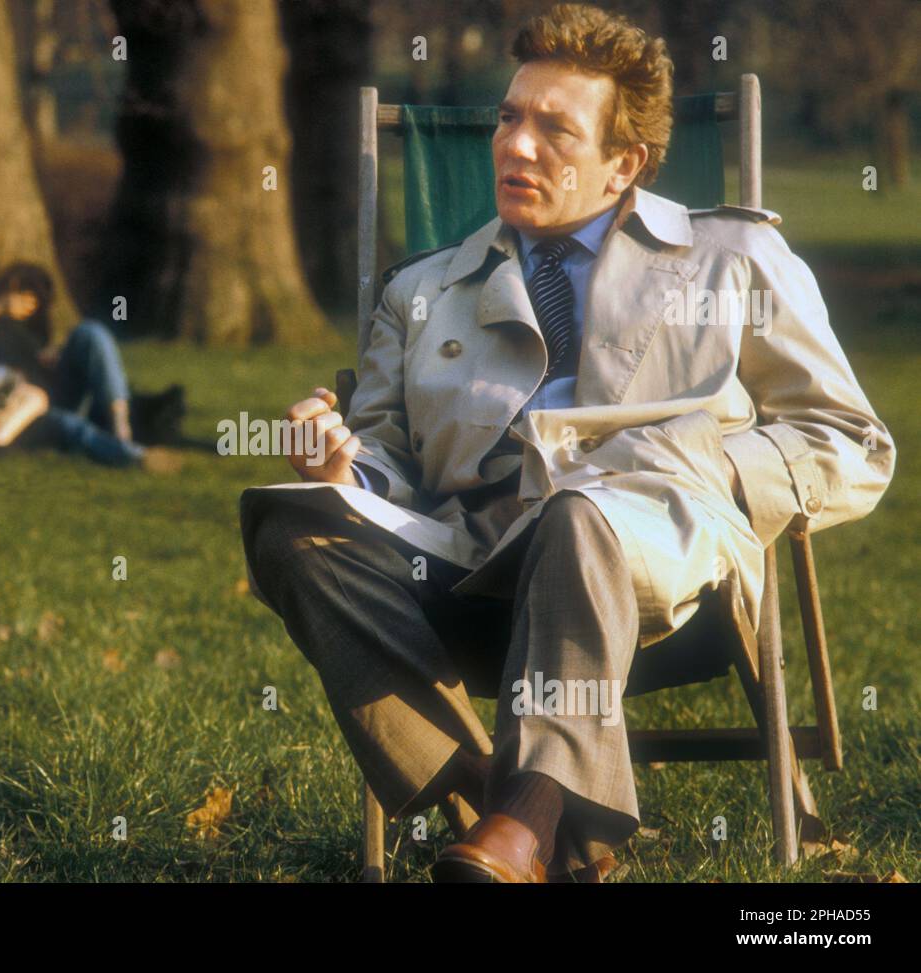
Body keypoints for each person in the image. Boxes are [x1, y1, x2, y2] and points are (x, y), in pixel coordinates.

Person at [239, 3, 895, 882]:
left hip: (661, 562)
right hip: (470, 565)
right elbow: (388, 458)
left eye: (555, 130)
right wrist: (343, 468)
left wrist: (712, 474)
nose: (517, 146)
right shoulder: (424, 289)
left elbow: (850, 439)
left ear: (624, 163)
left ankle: (528, 819)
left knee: (579, 515)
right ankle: (515, 814)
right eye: (512, 118)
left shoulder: (731, 259)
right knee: (289, 527)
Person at [0, 263, 185, 473]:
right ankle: (132, 455)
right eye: (21, 296)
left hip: (48, 389)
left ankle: (120, 425)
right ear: (7, 290)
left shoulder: (29, 329)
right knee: (70, 425)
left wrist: (47, 356)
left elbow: (36, 354)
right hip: (16, 409)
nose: (26, 306)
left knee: (91, 332)